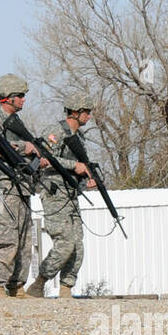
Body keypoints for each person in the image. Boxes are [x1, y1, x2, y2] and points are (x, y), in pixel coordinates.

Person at [0, 73, 45, 296]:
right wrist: (25, 147)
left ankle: (17, 284)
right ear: (8, 97)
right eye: (20, 95)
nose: (23, 100)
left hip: (20, 186)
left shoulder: (17, 122)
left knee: (24, 237)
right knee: (5, 237)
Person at [35, 94, 96, 297]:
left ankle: (66, 288)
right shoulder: (56, 132)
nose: (89, 116)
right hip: (55, 193)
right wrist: (74, 166)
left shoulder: (79, 137)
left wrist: (87, 178)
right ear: (75, 112)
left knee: (78, 245)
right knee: (65, 243)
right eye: (86, 112)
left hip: (70, 194)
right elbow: (44, 159)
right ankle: (40, 282)